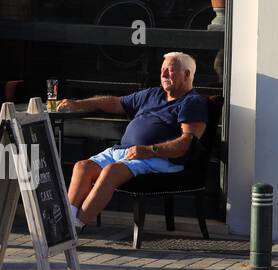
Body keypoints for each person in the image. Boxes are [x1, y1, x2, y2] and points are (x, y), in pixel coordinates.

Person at [58, 51, 208, 227]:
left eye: (170, 70)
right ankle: (66, 224)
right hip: (124, 152)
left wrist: (149, 150)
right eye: (162, 70)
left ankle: (73, 228)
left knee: (110, 171)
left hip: (157, 158)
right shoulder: (152, 94)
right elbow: (114, 102)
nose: (164, 75)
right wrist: (79, 104)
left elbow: (186, 144)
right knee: (82, 167)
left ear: (187, 74)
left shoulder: (192, 102)